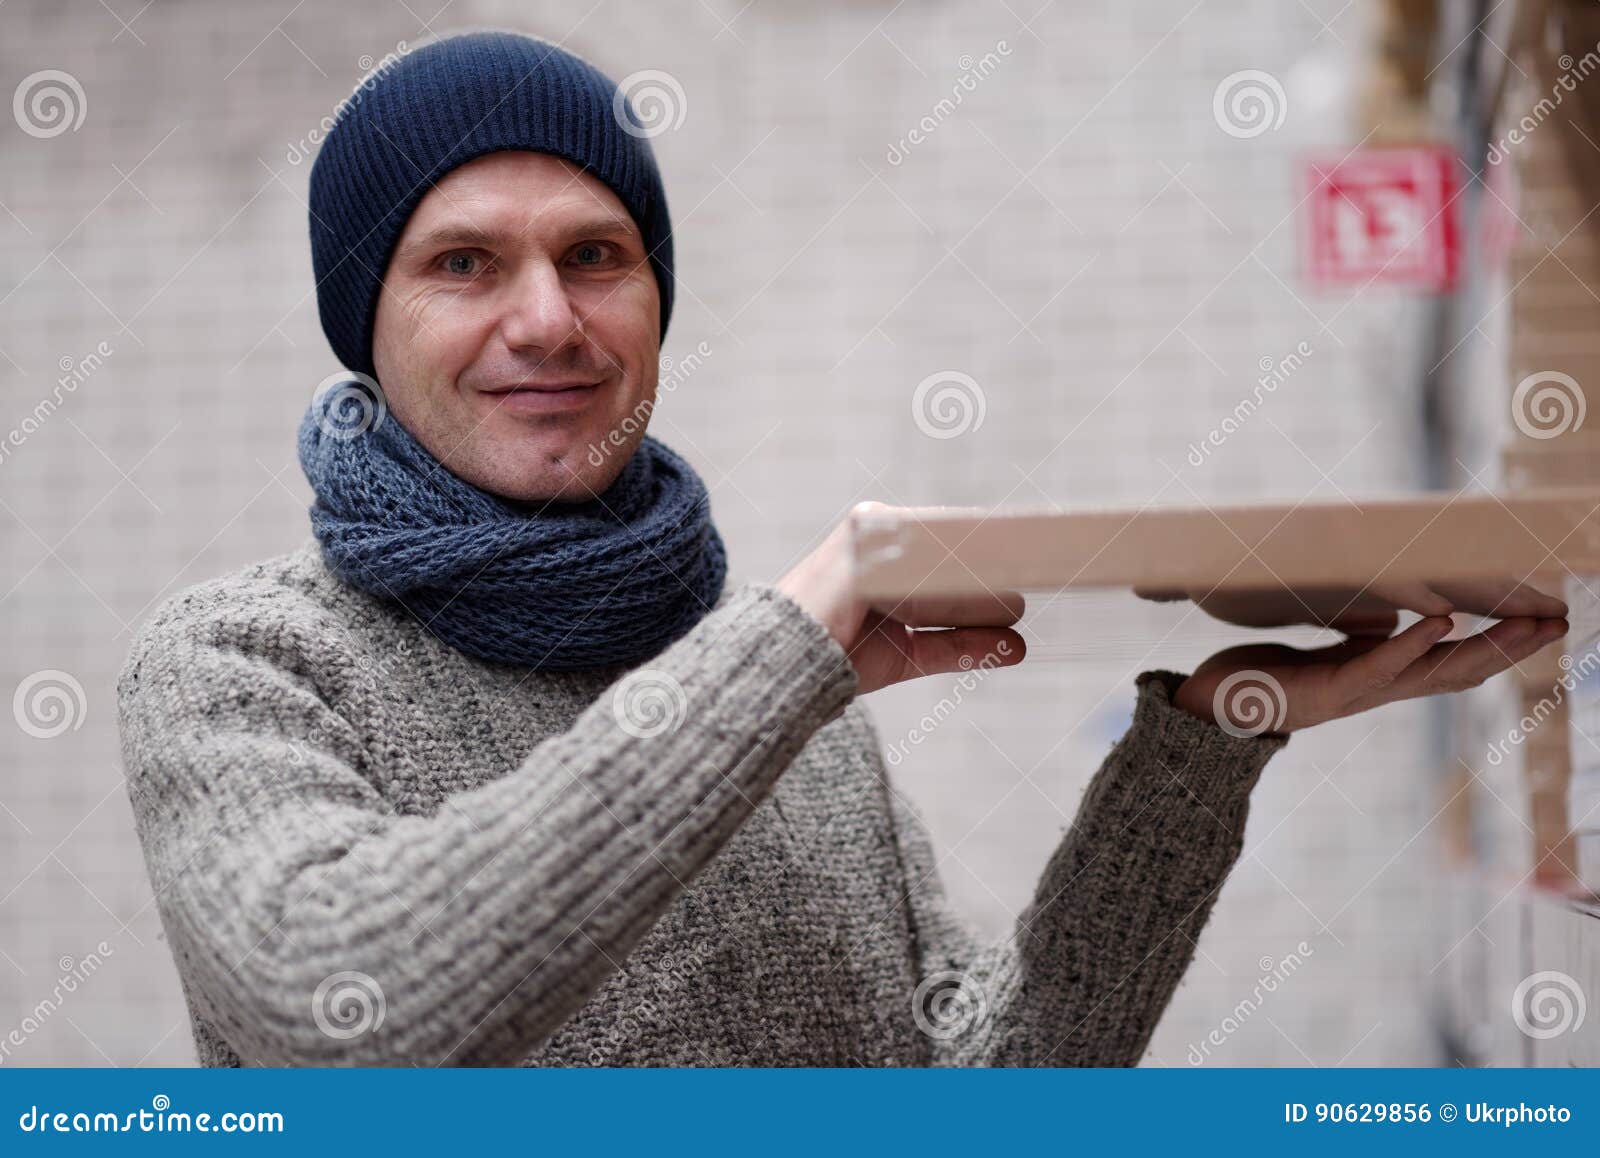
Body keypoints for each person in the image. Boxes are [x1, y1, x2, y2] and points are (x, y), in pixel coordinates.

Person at [115, 30, 1569, 1067]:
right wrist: (787, 651)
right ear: (363, 323)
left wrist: (1201, 744)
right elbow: (344, 1003)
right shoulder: (245, 661)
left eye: (599, 254)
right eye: (463, 263)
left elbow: (991, 1084)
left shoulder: (781, 692)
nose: (549, 318)